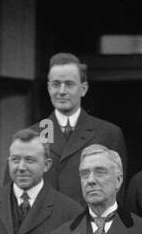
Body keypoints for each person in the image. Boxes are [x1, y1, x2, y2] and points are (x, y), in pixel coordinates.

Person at [39, 52, 127, 207]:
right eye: (56, 84)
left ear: (84, 89)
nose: (62, 91)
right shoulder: (35, 135)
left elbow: (118, 193)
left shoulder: (108, 134)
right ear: (48, 88)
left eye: (69, 84)